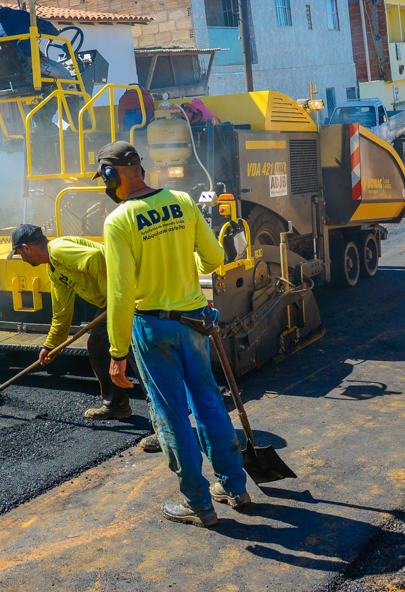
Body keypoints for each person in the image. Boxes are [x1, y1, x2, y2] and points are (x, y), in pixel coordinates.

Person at [100, 140, 249, 527]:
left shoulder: (119, 220)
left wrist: (117, 352)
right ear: (141, 169)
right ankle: (234, 485)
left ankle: (198, 504)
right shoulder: (182, 201)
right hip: (194, 323)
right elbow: (215, 258)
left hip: (153, 328)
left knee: (171, 414)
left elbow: (120, 293)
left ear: (110, 175)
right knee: (208, 402)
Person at [7, 223, 161, 452]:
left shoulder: (58, 249)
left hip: (129, 295)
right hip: (114, 301)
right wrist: (51, 346)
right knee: (98, 345)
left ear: (26, 248)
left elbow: (97, 257)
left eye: (18, 253)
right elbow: (61, 314)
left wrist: (114, 298)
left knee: (134, 354)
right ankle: (116, 404)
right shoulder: (54, 269)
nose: (19, 258)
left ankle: (166, 426)